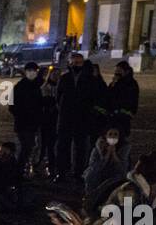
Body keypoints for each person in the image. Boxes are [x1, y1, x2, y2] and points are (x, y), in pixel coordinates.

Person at [56, 51, 94, 180]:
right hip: (66, 117)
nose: (76, 65)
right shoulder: (64, 77)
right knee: (63, 146)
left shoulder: (88, 79)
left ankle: (78, 173)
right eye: (74, 62)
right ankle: (61, 172)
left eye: (79, 62)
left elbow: (92, 98)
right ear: (69, 63)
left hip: (82, 118)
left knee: (80, 148)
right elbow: (58, 96)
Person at [82, 116, 133, 209]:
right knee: (91, 175)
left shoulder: (124, 148)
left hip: (115, 174)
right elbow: (94, 166)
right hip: (100, 172)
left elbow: (122, 169)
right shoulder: (98, 147)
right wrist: (105, 156)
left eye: (115, 134)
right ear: (105, 136)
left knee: (110, 182)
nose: (113, 137)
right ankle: (90, 198)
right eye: (110, 134)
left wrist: (114, 155)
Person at [0, 141, 30, 213]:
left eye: (5, 153)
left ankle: (15, 205)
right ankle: (15, 207)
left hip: (9, 192)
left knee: (27, 191)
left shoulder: (13, 164)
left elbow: (17, 180)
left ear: (11, 154)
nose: (1, 154)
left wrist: (24, 178)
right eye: (0, 152)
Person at [11, 62, 42, 172]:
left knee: (32, 147)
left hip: (36, 122)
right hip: (23, 123)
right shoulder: (19, 87)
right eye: (29, 70)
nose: (31, 73)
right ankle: (18, 170)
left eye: (34, 70)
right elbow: (11, 106)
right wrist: (21, 114)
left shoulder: (40, 85)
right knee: (25, 147)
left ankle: (25, 168)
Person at [38, 65, 60, 178]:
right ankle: (39, 164)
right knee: (43, 144)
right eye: (54, 74)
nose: (56, 77)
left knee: (53, 145)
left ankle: (51, 165)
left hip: (56, 120)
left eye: (57, 75)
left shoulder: (60, 87)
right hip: (46, 120)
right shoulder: (45, 87)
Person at [107, 61, 139, 129]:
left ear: (126, 71)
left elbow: (129, 99)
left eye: (119, 70)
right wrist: (112, 85)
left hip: (124, 112)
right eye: (116, 70)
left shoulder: (131, 83)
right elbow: (108, 94)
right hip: (114, 112)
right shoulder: (116, 82)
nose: (117, 73)